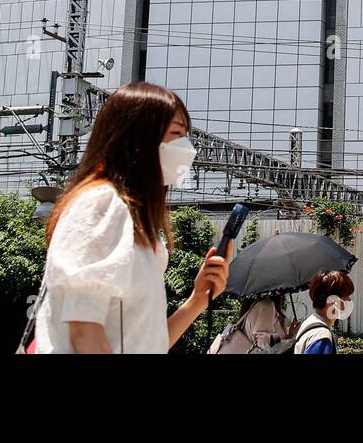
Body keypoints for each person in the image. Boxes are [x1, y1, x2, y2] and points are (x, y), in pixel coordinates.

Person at [33, 81, 231, 354]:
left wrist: (196, 301)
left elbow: (148, 344)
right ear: (139, 138)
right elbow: (84, 331)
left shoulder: (133, 221)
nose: (186, 147)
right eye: (176, 133)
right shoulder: (101, 204)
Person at [293, 270, 356, 354]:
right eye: (346, 297)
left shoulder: (310, 322)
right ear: (332, 301)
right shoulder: (322, 335)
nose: (349, 301)